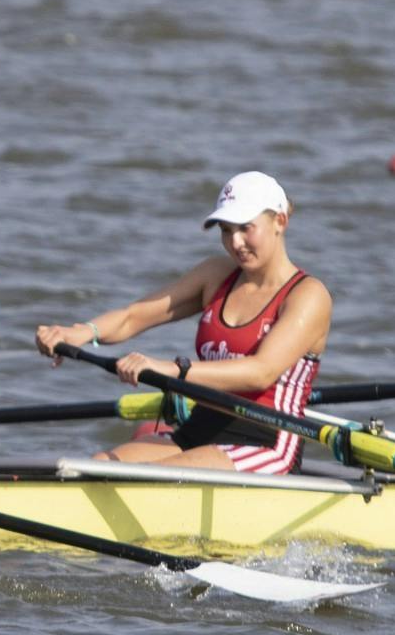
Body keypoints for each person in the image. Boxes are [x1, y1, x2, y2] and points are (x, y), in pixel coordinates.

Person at [34, 171, 329, 474]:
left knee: (155, 478)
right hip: (201, 427)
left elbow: (261, 372)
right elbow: (134, 316)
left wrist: (174, 370)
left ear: (280, 221)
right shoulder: (216, 275)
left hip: (266, 440)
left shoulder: (308, 295)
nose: (235, 242)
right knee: (96, 468)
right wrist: (81, 332)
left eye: (245, 228)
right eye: (226, 230)